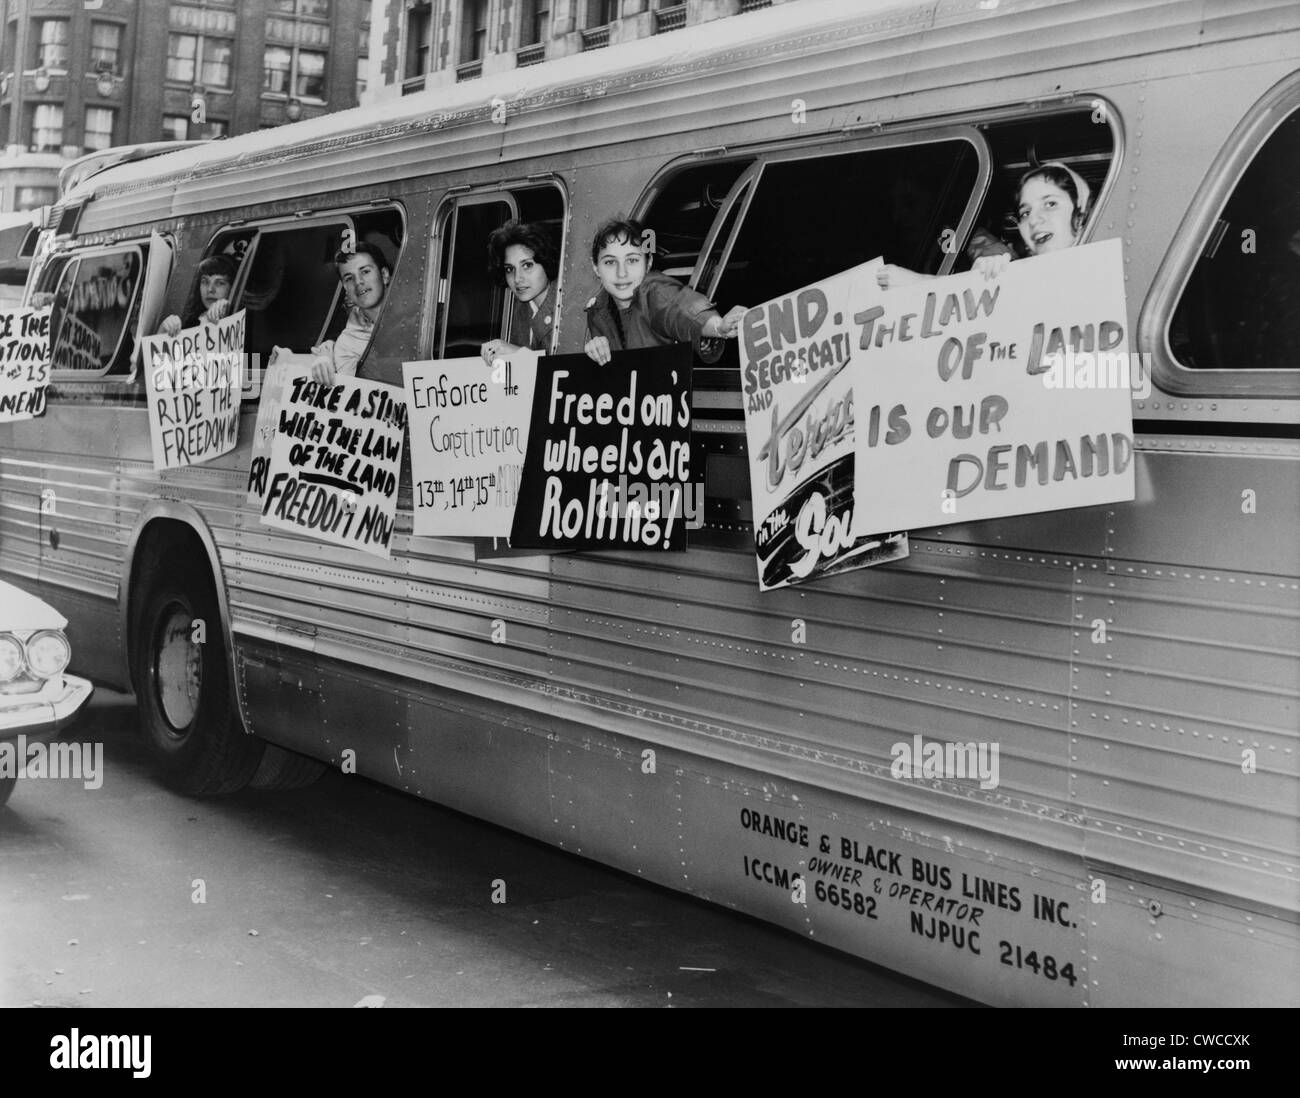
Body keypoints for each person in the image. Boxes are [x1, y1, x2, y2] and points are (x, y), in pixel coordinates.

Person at [875, 161, 1093, 288]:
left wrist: (916, 284)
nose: (1034, 220)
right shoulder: (928, 246)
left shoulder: (964, 236)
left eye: (1050, 203)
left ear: (1081, 211)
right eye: (1025, 212)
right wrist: (985, 279)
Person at [582, 217, 747, 365]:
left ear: (648, 263)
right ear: (596, 267)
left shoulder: (654, 291)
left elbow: (681, 308)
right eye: (610, 262)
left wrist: (719, 327)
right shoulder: (597, 310)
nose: (621, 273)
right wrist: (595, 350)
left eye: (632, 260)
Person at [310, 242, 391, 384]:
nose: (358, 282)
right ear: (345, 288)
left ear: (384, 275)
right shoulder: (347, 342)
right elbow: (347, 389)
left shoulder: (420, 314)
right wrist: (324, 360)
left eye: (365, 271)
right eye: (349, 278)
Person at [480, 220, 558, 365]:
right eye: (510, 269)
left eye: (527, 265)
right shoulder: (521, 309)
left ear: (547, 262)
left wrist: (518, 353)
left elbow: (569, 368)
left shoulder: (566, 305)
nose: (517, 279)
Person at [159, 254, 237, 337]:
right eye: (205, 282)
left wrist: (228, 314)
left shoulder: (242, 317)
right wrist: (162, 333)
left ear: (232, 288)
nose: (210, 289)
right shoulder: (189, 323)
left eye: (219, 283)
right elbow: (178, 349)